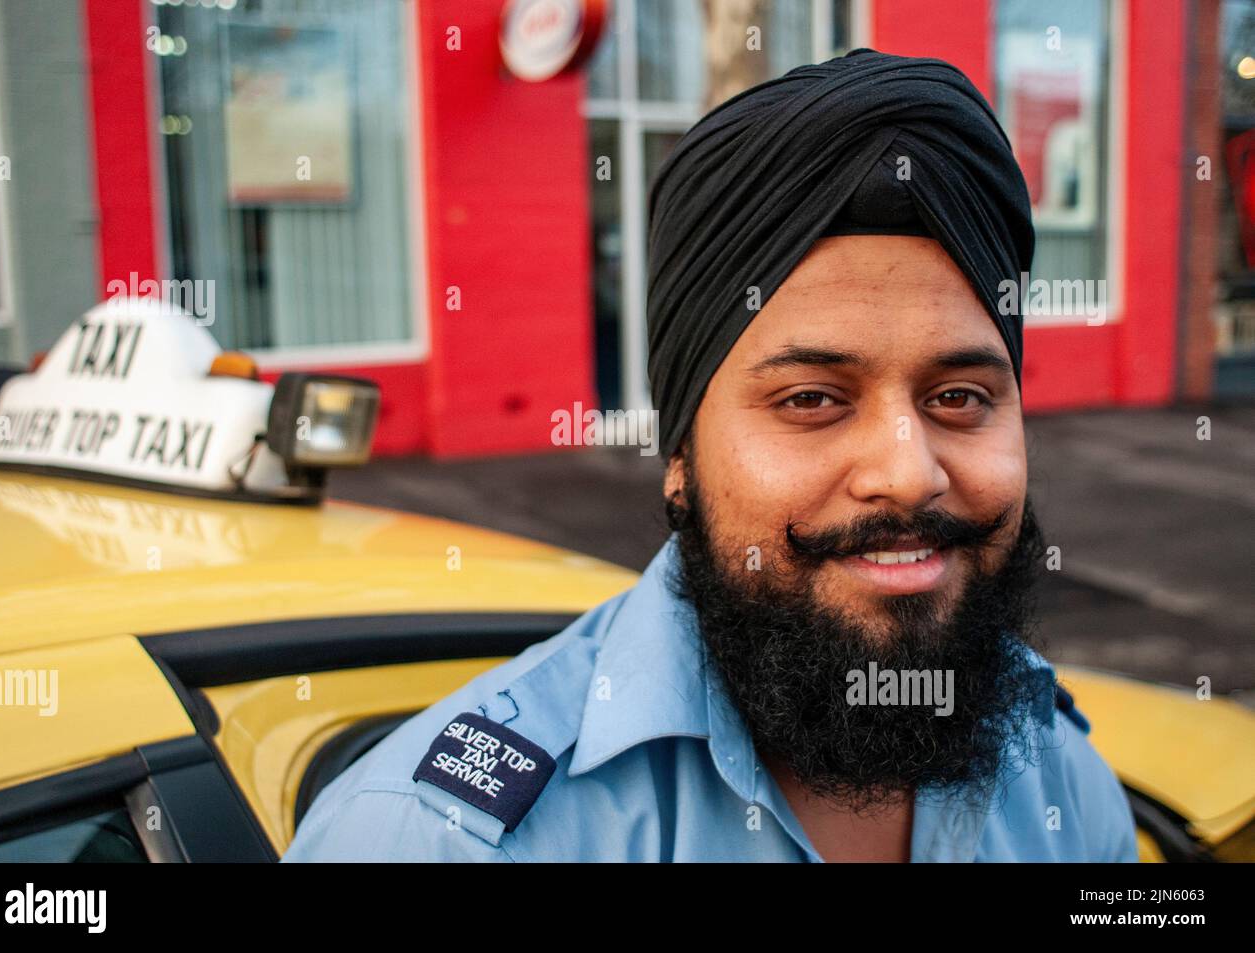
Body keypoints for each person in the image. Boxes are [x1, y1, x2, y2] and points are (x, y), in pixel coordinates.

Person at [284, 49, 1138, 863]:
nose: (910, 473)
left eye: (959, 398)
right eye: (812, 399)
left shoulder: (1059, 778)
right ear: (681, 455)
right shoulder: (441, 841)